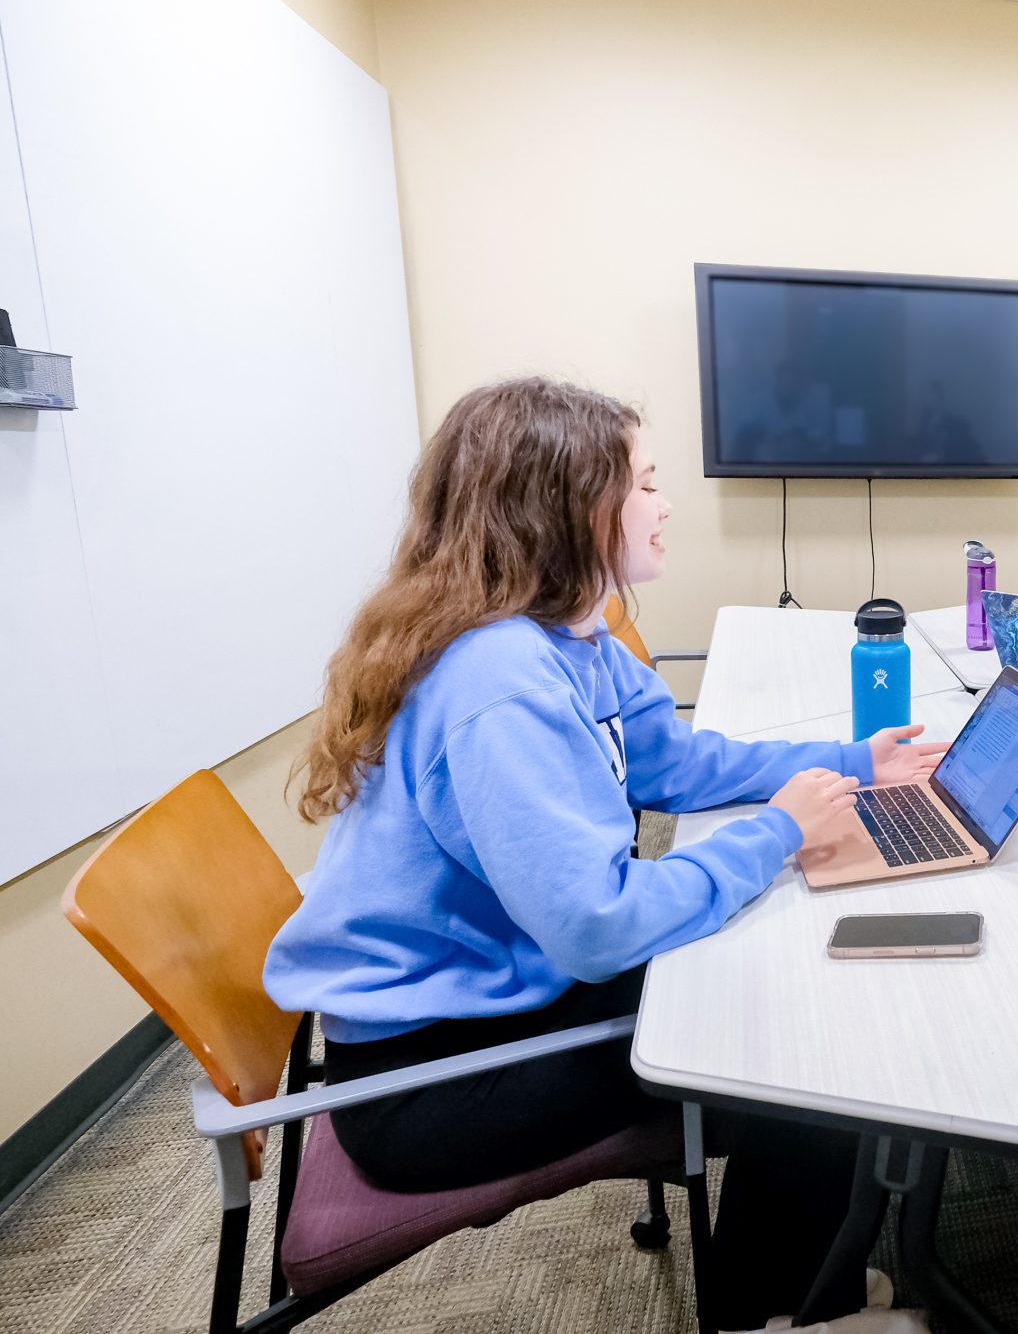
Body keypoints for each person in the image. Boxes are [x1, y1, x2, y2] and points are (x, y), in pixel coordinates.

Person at [264, 377, 945, 1332]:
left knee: (779, 1002)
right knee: (809, 1061)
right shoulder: (498, 679)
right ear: (575, 506)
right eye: (647, 483)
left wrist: (847, 761)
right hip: (433, 1076)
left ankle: (796, 1287)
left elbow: (676, 757)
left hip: (498, 991)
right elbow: (595, 924)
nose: (666, 507)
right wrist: (781, 829)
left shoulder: (566, 632)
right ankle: (779, 1312)